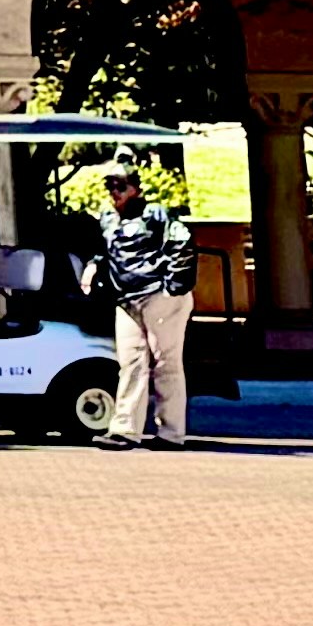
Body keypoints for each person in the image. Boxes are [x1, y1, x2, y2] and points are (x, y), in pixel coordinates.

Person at [95, 162, 197, 445]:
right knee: (130, 363)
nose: (114, 192)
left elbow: (182, 243)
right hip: (127, 299)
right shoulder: (108, 219)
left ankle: (171, 432)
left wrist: (172, 287)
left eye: (120, 186)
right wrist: (95, 265)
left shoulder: (156, 214)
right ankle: (125, 429)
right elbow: (107, 251)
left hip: (158, 296)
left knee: (167, 364)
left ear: (135, 189)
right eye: (110, 186)